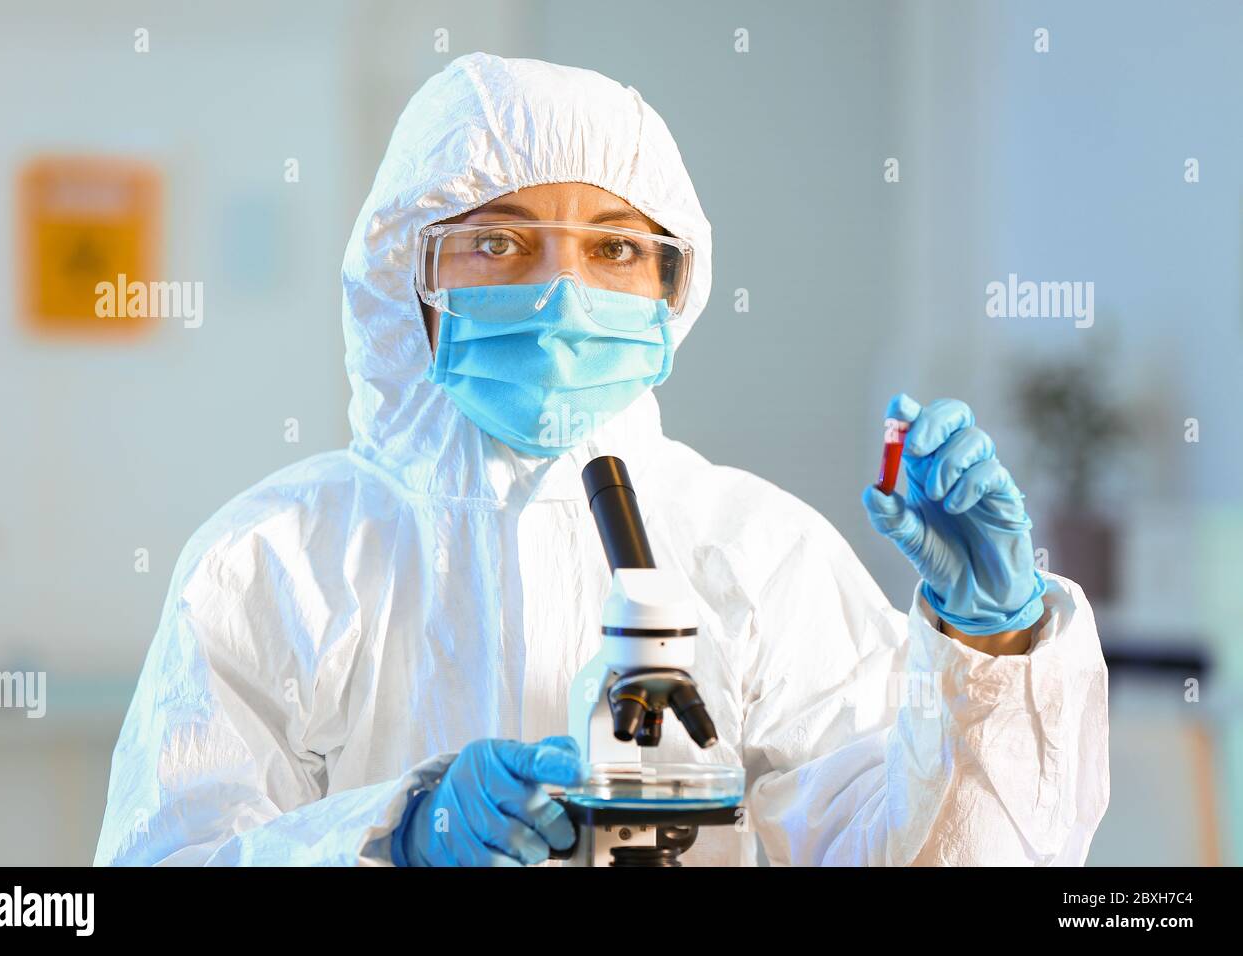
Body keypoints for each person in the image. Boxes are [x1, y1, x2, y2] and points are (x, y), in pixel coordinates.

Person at [95, 52, 1108, 867]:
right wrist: (392, 833)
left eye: (616, 248)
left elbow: (921, 850)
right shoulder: (274, 558)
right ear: (407, 273)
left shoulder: (762, 551)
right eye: (499, 242)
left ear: (672, 284)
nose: (563, 292)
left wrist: (990, 650)